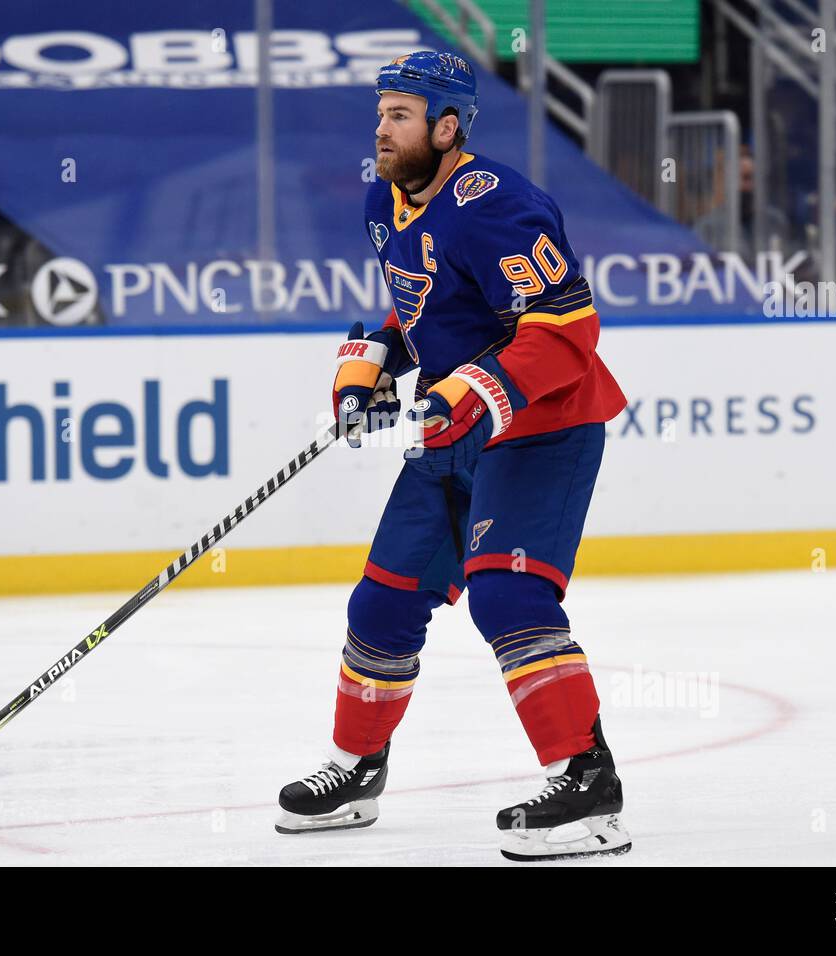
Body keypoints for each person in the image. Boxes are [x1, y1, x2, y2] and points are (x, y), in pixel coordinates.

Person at [274, 51, 631, 861]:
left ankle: (588, 784)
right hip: (453, 433)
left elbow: (565, 331)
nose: (382, 130)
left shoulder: (497, 203)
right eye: (379, 115)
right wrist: (375, 362)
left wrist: (468, 392)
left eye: (400, 115)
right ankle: (357, 769)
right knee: (383, 602)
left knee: (508, 599)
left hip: (543, 426)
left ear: (448, 125)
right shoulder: (383, 203)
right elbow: (429, 310)